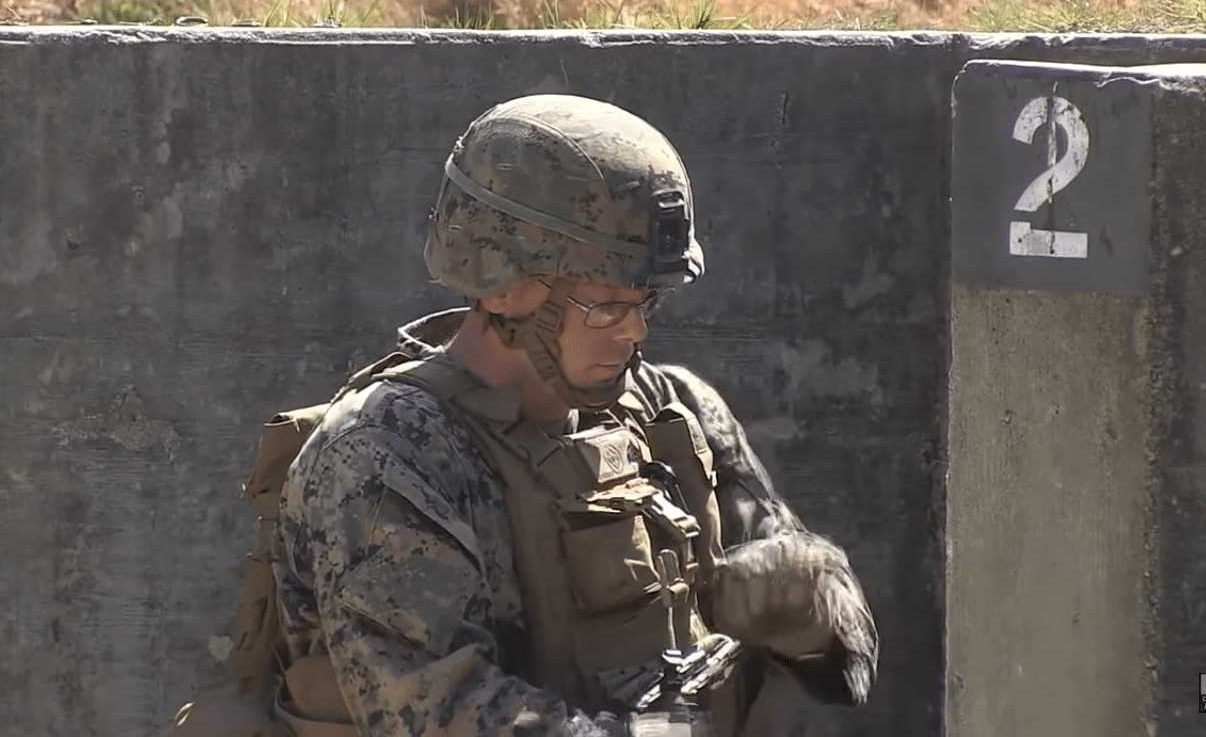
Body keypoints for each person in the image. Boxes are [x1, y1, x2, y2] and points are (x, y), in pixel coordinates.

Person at [268, 93, 878, 736]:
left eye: (648, 301)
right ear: (502, 284)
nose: (636, 330)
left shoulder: (670, 410)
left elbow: (843, 658)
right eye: (607, 305)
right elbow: (439, 712)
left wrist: (813, 616)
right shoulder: (384, 454)